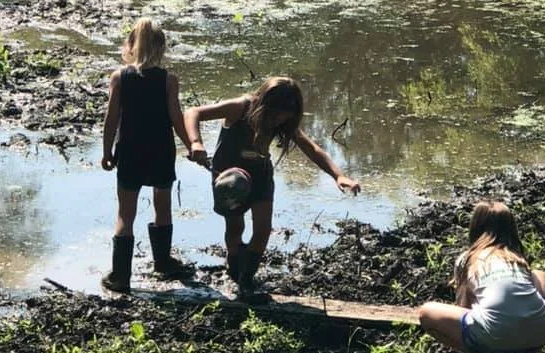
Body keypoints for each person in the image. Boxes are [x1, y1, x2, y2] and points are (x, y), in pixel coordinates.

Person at [185, 76, 361, 295]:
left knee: (263, 229)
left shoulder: (285, 121)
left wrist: (338, 176)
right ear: (263, 105)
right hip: (229, 176)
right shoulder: (240, 107)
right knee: (235, 227)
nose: (278, 122)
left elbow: (311, 149)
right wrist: (195, 142)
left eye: (284, 118)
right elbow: (194, 112)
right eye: (274, 115)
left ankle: (247, 280)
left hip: (260, 174)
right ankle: (234, 260)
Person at [417, 200, 545, 353]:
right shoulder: (517, 257)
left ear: (475, 227)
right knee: (539, 274)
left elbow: (463, 307)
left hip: (495, 334)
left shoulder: (468, 259)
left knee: (426, 312)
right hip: (542, 333)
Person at [100, 17, 191, 293]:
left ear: (130, 45)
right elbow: (177, 118)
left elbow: (111, 118)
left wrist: (106, 152)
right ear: (162, 48)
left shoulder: (120, 77)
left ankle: (120, 276)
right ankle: (162, 262)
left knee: (125, 215)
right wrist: (190, 146)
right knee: (162, 207)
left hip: (130, 153)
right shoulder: (168, 81)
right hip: (161, 152)